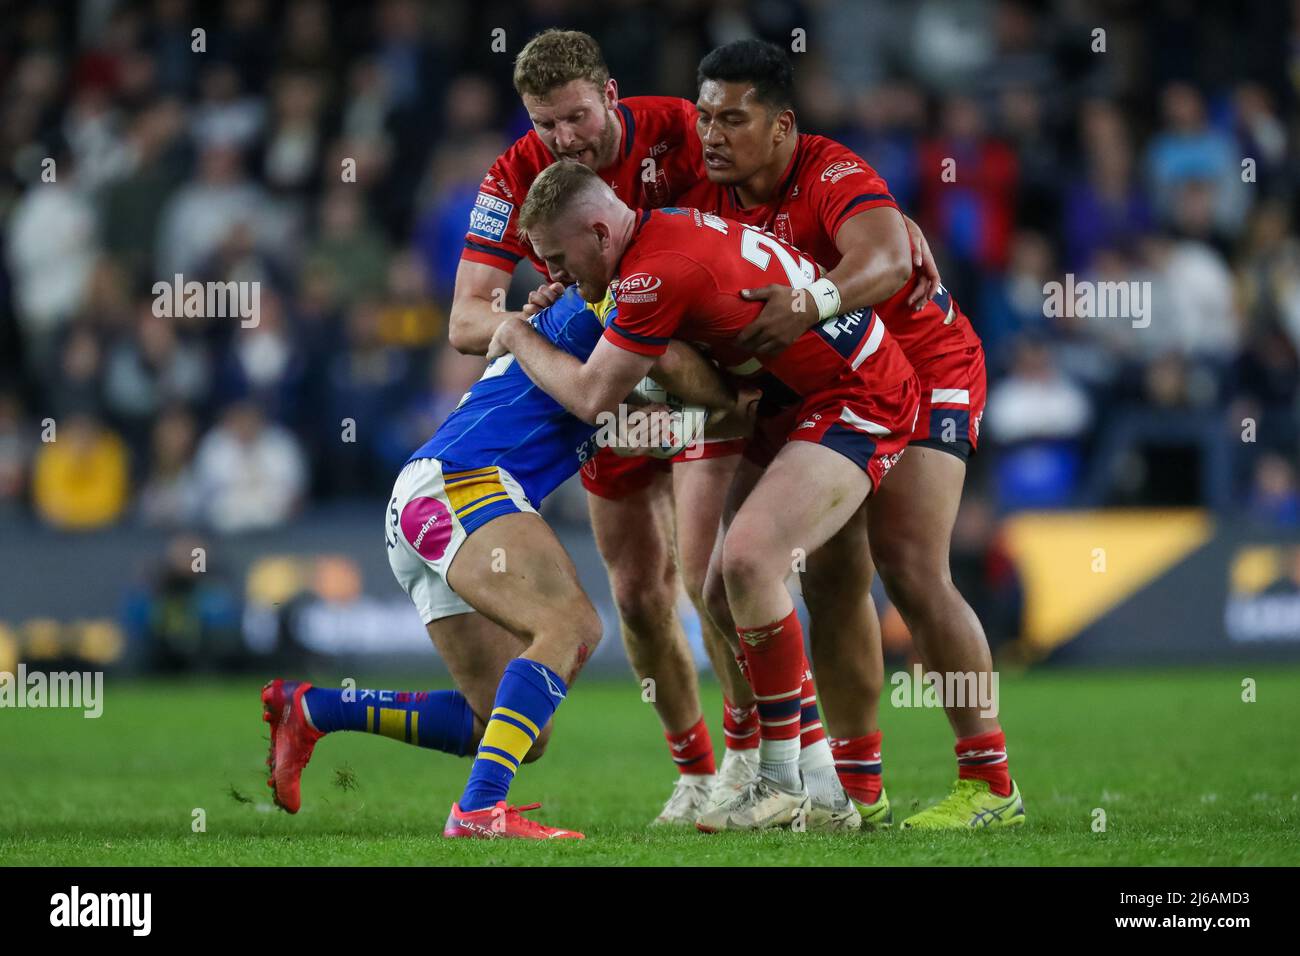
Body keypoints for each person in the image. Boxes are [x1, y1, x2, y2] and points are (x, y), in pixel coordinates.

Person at [450, 27, 940, 825]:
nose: (563, 140)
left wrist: (883, 223)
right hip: (624, 381)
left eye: (576, 118)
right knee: (641, 595)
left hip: (711, 382)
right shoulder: (517, 176)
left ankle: (760, 761)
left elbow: (784, 167)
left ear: (610, 95)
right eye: (545, 125)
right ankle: (702, 770)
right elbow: (465, 319)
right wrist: (527, 314)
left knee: (717, 575)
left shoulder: (686, 126)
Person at [678, 40, 1024, 830]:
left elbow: (886, 262)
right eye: (705, 118)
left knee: (910, 567)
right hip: (827, 385)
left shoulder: (833, 172)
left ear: (783, 125)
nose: (714, 134)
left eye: (734, 118)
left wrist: (807, 302)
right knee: (831, 578)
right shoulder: (708, 182)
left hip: (925, 365)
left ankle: (991, 784)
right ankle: (856, 788)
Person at [263, 285, 750, 839]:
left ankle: (315, 710)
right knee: (573, 626)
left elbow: (645, 428)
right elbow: (651, 387)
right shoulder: (621, 304)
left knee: (504, 723)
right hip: (464, 484)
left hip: (424, 501)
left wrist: (720, 419)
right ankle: (478, 810)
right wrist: (738, 399)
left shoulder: (594, 339)